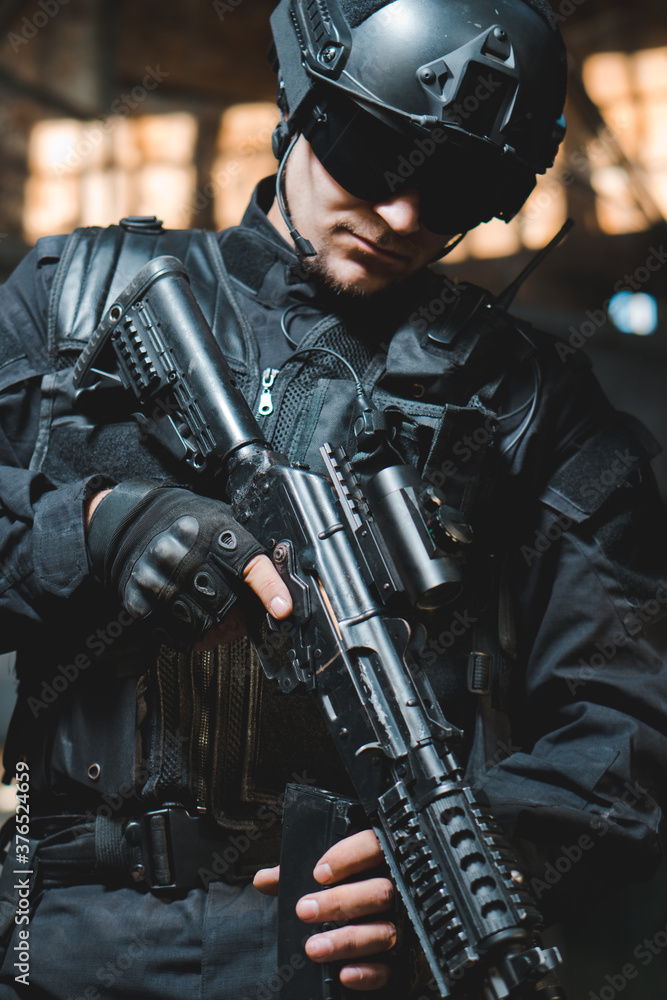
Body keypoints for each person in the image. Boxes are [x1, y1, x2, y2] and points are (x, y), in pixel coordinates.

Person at [0, 0, 666, 997]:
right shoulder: (70, 300)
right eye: (376, 153)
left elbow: (629, 715)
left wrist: (495, 852)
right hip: (60, 947)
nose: (403, 215)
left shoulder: (529, 400)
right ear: (302, 97)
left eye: (460, 190)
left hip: (346, 960)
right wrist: (91, 528)